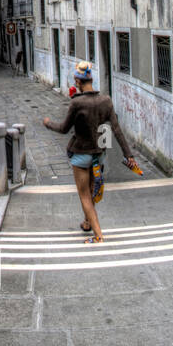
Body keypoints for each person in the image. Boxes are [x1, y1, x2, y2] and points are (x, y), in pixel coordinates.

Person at [42, 63, 141, 242]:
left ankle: (98, 235)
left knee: (85, 195)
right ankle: (87, 222)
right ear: (92, 80)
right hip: (99, 155)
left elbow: (64, 129)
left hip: (80, 155)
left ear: (78, 81)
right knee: (90, 189)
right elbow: (117, 130)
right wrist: (129, 156)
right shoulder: (106, 100)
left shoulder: (76, 102)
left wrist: (48, 123)